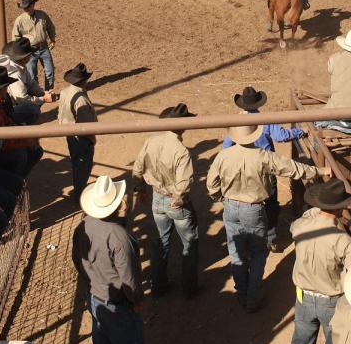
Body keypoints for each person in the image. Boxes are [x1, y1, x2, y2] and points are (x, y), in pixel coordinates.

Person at [208, 122, 327, 312]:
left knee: (236, 251)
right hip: (253, 208)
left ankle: (242, 292)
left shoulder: (223, 156)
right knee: (257, 252)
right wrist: (318, 171)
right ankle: (253, 296)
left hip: (230, 207)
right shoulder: (263, 156)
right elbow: (291, 168)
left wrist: (220, 197)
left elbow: (212, 184)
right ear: (254, 136)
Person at [72, 176, 147, 344]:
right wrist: (136, 300)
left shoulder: (83, 226)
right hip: (117, 304)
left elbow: (77, 260)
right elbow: (129, 277)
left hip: (95, 297)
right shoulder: (119, 236)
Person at [286, 180, 351, 344]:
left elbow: (297, 222)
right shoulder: (343, 240)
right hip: (331, 302)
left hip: (303, 298)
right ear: (340, 208)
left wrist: (315, 212)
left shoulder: (300, 227)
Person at [221, 86, 307, 253]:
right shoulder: (266, 119)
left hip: (244, 169)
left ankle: (247, 238)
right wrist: (300, 132)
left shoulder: (236, 122)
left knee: (247, 201)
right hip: (265, 168)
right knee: (271, 204)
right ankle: (270, 239)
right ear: (259, 102)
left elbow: (226, 147)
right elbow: (281, 136)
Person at [129, 103, 200, 298]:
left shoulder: (151, 141)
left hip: (157, 197)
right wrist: (178, 200)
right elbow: (184, 185)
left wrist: (139, 189)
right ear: (183, 126)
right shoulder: (181, 151)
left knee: (161, 241)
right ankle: (189, 287)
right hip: (175, 201)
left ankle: (158, 285)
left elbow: (137, 168)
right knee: (189, 243)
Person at [59, 63, 97, 202]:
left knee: (77, 164)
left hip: (70, 134)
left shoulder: (64, 92)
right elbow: (85, 126)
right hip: (81, 138)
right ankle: (80, 196)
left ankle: (78, 192)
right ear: (84, 81)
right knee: (83, 167)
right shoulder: (80, 99)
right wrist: (92, 139)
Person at [11, 0, 58, 92]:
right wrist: (21, 52)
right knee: (32, 74)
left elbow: (50, 27)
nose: (26, 9)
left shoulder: (42, 15)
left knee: (50, 71)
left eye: (27, 7)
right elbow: (15, 38)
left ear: (33, 5)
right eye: (24, 8)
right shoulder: (19, 20)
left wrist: (52, 40)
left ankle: (49, 92)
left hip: (44, 47)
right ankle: (37, 93)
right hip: (29, 51)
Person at [0, 40, 48, 123]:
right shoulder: (14, 72)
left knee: (34, 103)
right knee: (34, 110)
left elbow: (31, 83)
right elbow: (21, 99)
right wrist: (44, 99)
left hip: (8, 103)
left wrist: (43, 93)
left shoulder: (20, 66)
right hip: (8, 107)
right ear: (25, 57)